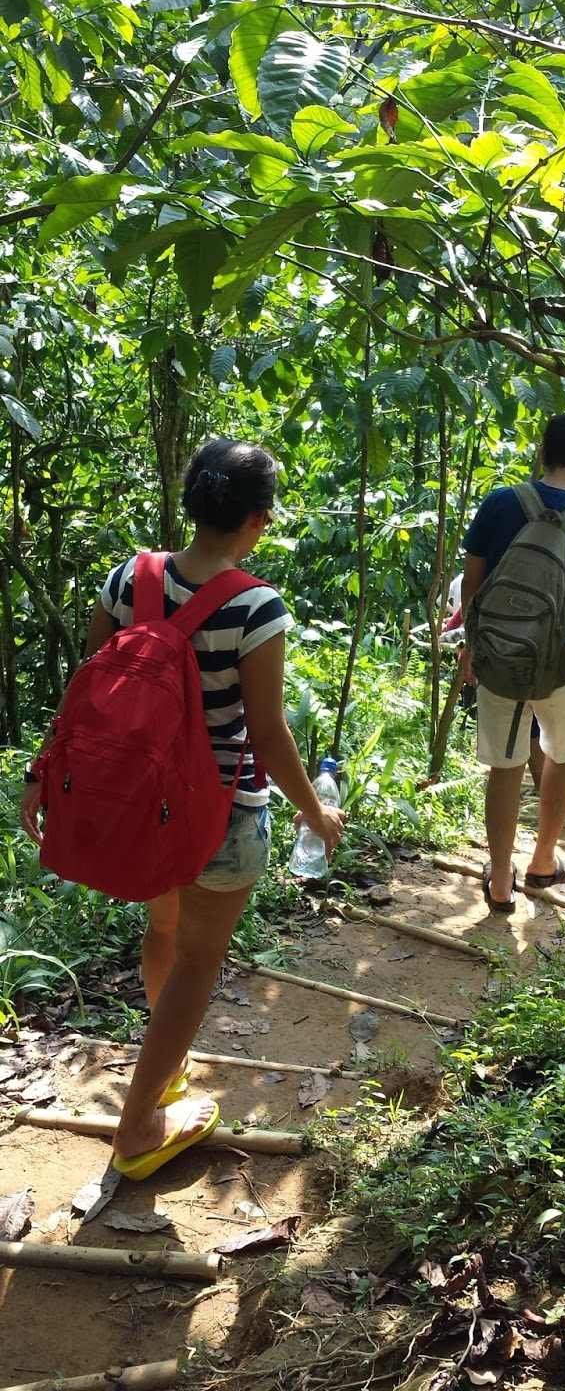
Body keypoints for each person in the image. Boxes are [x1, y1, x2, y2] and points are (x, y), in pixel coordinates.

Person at [20, 437, 345, 1178]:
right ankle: (139, 1126)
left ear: (192, 502)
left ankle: (164, 1072)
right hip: (218, 815)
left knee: (165, 929)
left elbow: (85, 694)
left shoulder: (128, 579)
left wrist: (44, 772)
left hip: (140, 808)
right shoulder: (257, 607)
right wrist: (314, 814)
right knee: (201, 958)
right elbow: (265, 732)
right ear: (258, 519)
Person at [460, 412, 565, 912]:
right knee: (560, 755)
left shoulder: (500, 505)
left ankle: (500, 882)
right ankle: (543, 862)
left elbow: (473, 586)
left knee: (505, 767)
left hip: (500, 656)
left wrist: (473, 644)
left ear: (541, 451)